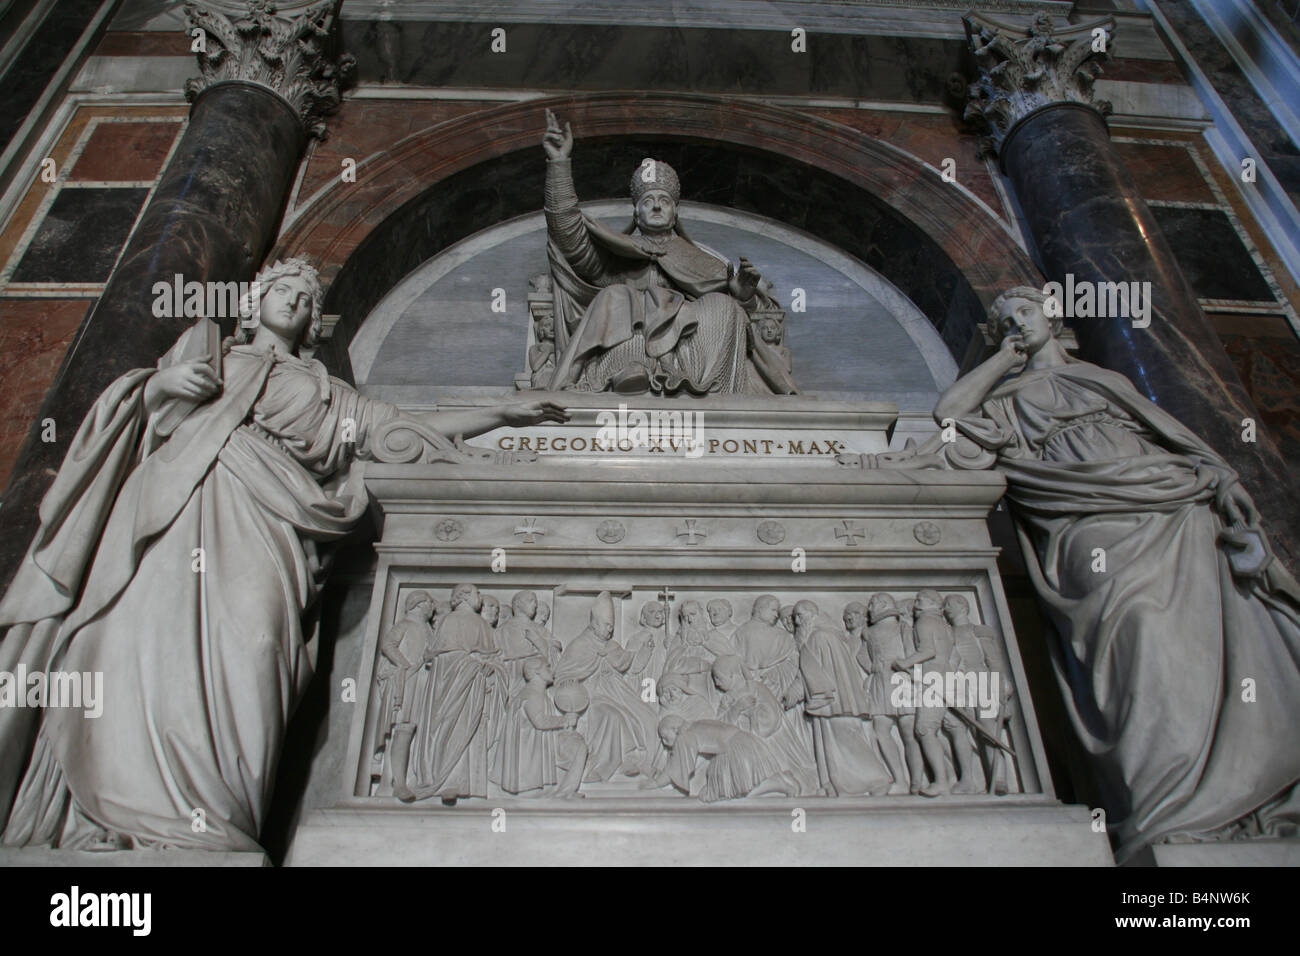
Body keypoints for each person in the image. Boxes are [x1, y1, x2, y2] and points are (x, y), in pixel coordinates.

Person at [0, 258, 567, 850]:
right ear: (253, 302)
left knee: (255, 645)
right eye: (284, 290)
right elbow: (128, 417)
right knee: (148, 644)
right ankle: (126, 813)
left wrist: (501, 414)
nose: (295, 301)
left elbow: (401, 427)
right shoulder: (212, 357)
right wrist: (157, 387)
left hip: (269, 526)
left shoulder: (330, 393)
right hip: (188, 504)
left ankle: (211, 816)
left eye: (306, 297)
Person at [888, 285, 1300, 858]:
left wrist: (1225, 482)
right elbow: (950, 414)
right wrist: (1005, 359)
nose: (1018, 323)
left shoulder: (1106, 379)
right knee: (1138, 636)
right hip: (1084, 519)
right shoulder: (1005, 397)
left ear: (1051, 317)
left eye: (1027, 312)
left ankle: (1231, 806)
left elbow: (1177, 437)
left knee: (1203, 648)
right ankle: (1169, 805)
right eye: (1005, 320)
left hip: (1168, 501)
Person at [540, 109, 798, 396]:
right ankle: (629, 370)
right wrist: (559, 164)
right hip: (629, 338)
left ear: (675, 215)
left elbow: (749, 315)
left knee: (724, 307)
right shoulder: (612, 254)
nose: (657, 206)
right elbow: (568, 236)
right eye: (648, 201)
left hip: (690, 346)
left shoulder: (698, 258)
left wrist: (741, 295)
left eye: (664, 201)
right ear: (636, 215)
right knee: (616, 296)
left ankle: (708, 387)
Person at [408, 584, 506, 803]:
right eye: (476, 593)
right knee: (452, 726)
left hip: (468, 683)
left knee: (462, 728)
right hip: (453, 683)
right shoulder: (455, 621)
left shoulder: (471, 622)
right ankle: (446, 781)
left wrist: (485, 666)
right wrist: (475, 663)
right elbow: (440, 654)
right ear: (463, 596)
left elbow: (491, 657)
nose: (479, 597)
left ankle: (458, 782)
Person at [554, 592, 658, 780]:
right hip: (591, 697)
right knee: (613, 716)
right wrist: (571, 683)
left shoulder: (612, 646)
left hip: (618, 693)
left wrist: (645, 650)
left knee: (646, 716)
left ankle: (639, 760)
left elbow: (631, 664)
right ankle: (602, 768)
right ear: (595, 624)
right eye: (607, 625)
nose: (610, 630)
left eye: (612, 626)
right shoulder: (580, 645)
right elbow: (563, 674)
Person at [792, 600, 891, 796]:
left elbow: (813, 671)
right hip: (833, 700)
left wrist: (794, 691)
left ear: (812, 614)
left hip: (833, 700)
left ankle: (877, 780)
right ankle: (837, 785)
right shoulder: (827, 635)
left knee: (847, 740)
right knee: (831, 743)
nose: (796, 621)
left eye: (800, 616)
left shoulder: (819, 637)